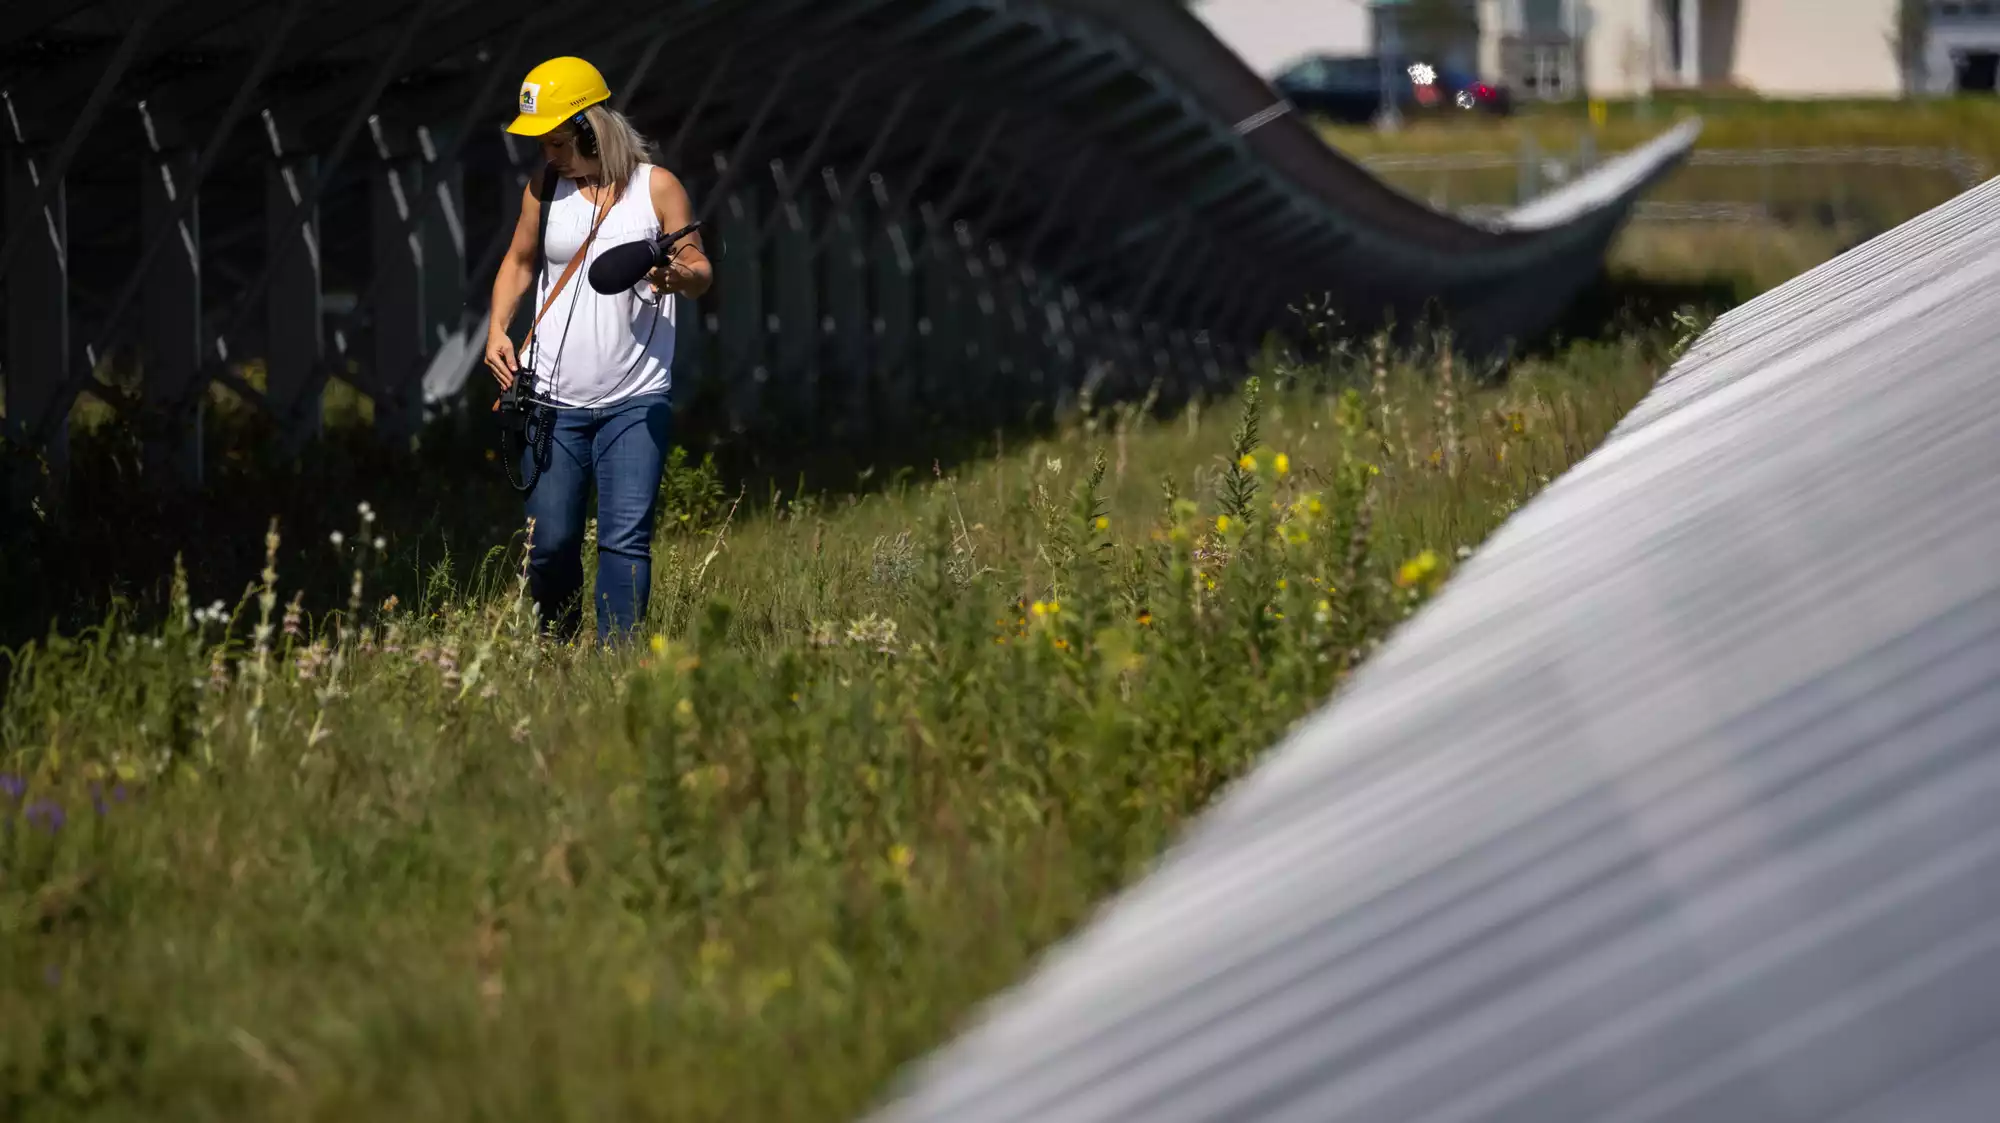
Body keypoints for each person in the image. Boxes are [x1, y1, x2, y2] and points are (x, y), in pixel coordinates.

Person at [483, 56, 712, 647]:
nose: (548, 153)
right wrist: (497, 329)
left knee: (624, 539)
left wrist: (677, 279)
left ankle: (617, 662)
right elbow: (519, 261)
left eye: (557, 140)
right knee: (550, 542)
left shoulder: (655, 188)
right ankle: (556, 645)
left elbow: (699, 267)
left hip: (635, 399)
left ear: (591, 127)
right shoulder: (544, 188)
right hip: (551, 400)